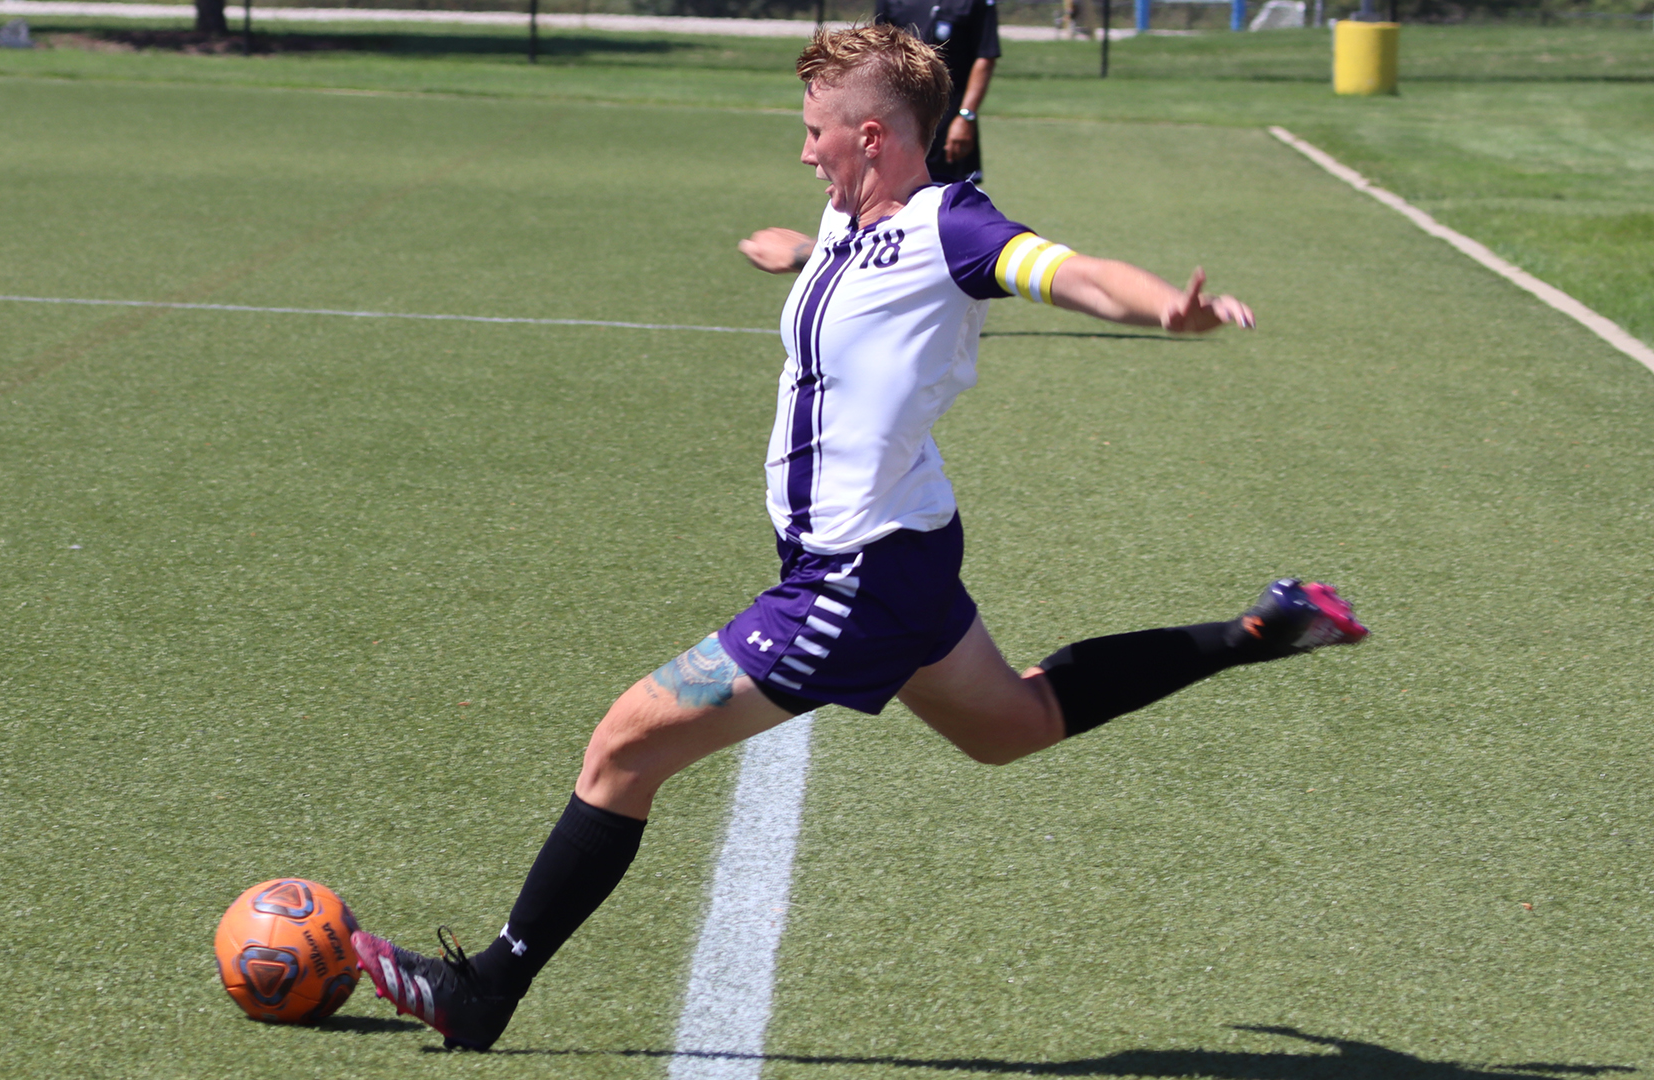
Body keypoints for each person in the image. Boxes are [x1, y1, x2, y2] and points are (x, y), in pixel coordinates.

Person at [351, 23, 1367, 1052]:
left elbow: (1075, 272)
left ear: (873, 136)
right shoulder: (848, 216)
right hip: (906, 554)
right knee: (1012, 724)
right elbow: (855, 272)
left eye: (814, 132)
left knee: (623, 747)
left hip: (858, 578)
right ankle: (1262, 628)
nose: (804, 151)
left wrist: (1164, 311)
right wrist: (798, 254)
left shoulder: (950, 227)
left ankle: (487, 990)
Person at [875, 0, 1000, 182]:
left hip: (949, 121)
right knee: (894, 194)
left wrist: (966, 116)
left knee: (949, 197)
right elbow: (877, 49)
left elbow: (985, 56)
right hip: (898, 119)